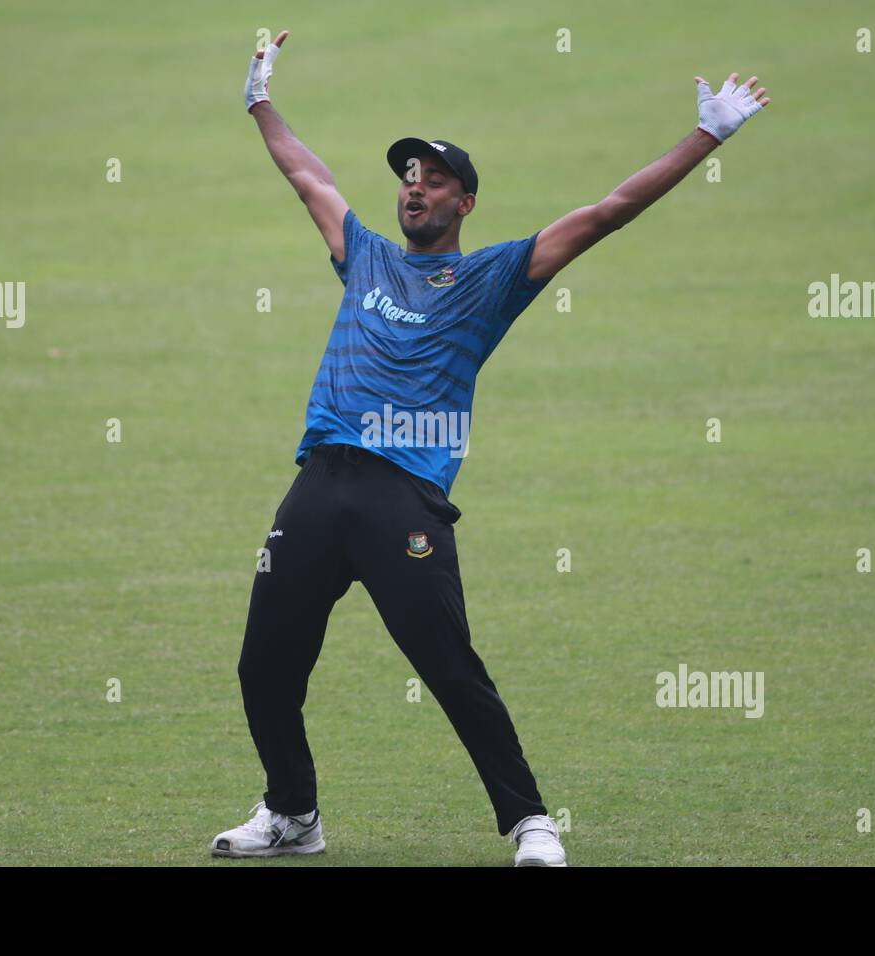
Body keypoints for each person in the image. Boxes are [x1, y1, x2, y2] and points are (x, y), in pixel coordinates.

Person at [212, 29, 771, 866]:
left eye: (435, 180)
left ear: (464, 203)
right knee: (264, 666)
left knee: (449, 668)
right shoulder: (363, 256)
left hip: (405, 498)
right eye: (409, 177)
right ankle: (294, 817)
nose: (416, 188)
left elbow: (607, 213)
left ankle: (531, 823)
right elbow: (306, 175)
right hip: (320, 485)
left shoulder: (494, 278)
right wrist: (259, 100)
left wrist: (708, 134)